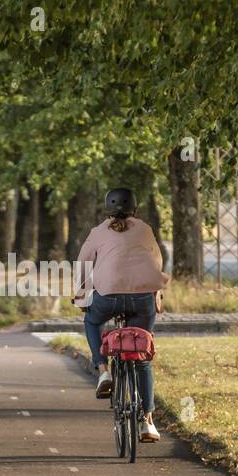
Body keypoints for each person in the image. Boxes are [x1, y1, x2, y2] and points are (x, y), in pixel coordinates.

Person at [72, 187, 168, 443]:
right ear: (135, 208)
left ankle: (103, 369)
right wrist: (156, 292)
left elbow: (82, 263)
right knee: (142, 355)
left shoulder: (98, 232)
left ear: (107, 209)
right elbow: (157, 261)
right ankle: (147, 422)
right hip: (142, 298)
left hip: (107, 297)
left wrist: (82, 297)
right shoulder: (145, 230)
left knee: (92, 320)